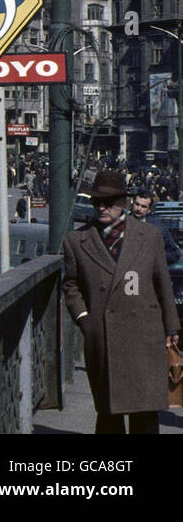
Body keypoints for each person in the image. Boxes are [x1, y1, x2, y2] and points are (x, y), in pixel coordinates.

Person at [62, 170, 179, 434]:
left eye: (109, 201)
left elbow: (163, 283)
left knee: (145, 412)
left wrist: (172, 329)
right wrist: (84, 319)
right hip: (102, 336)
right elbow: (70, 284)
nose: (101, 207)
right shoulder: (76, 241)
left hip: (144, 336)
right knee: (109, 414)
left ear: (124, 203)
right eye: (96, 202)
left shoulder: (149, 236)